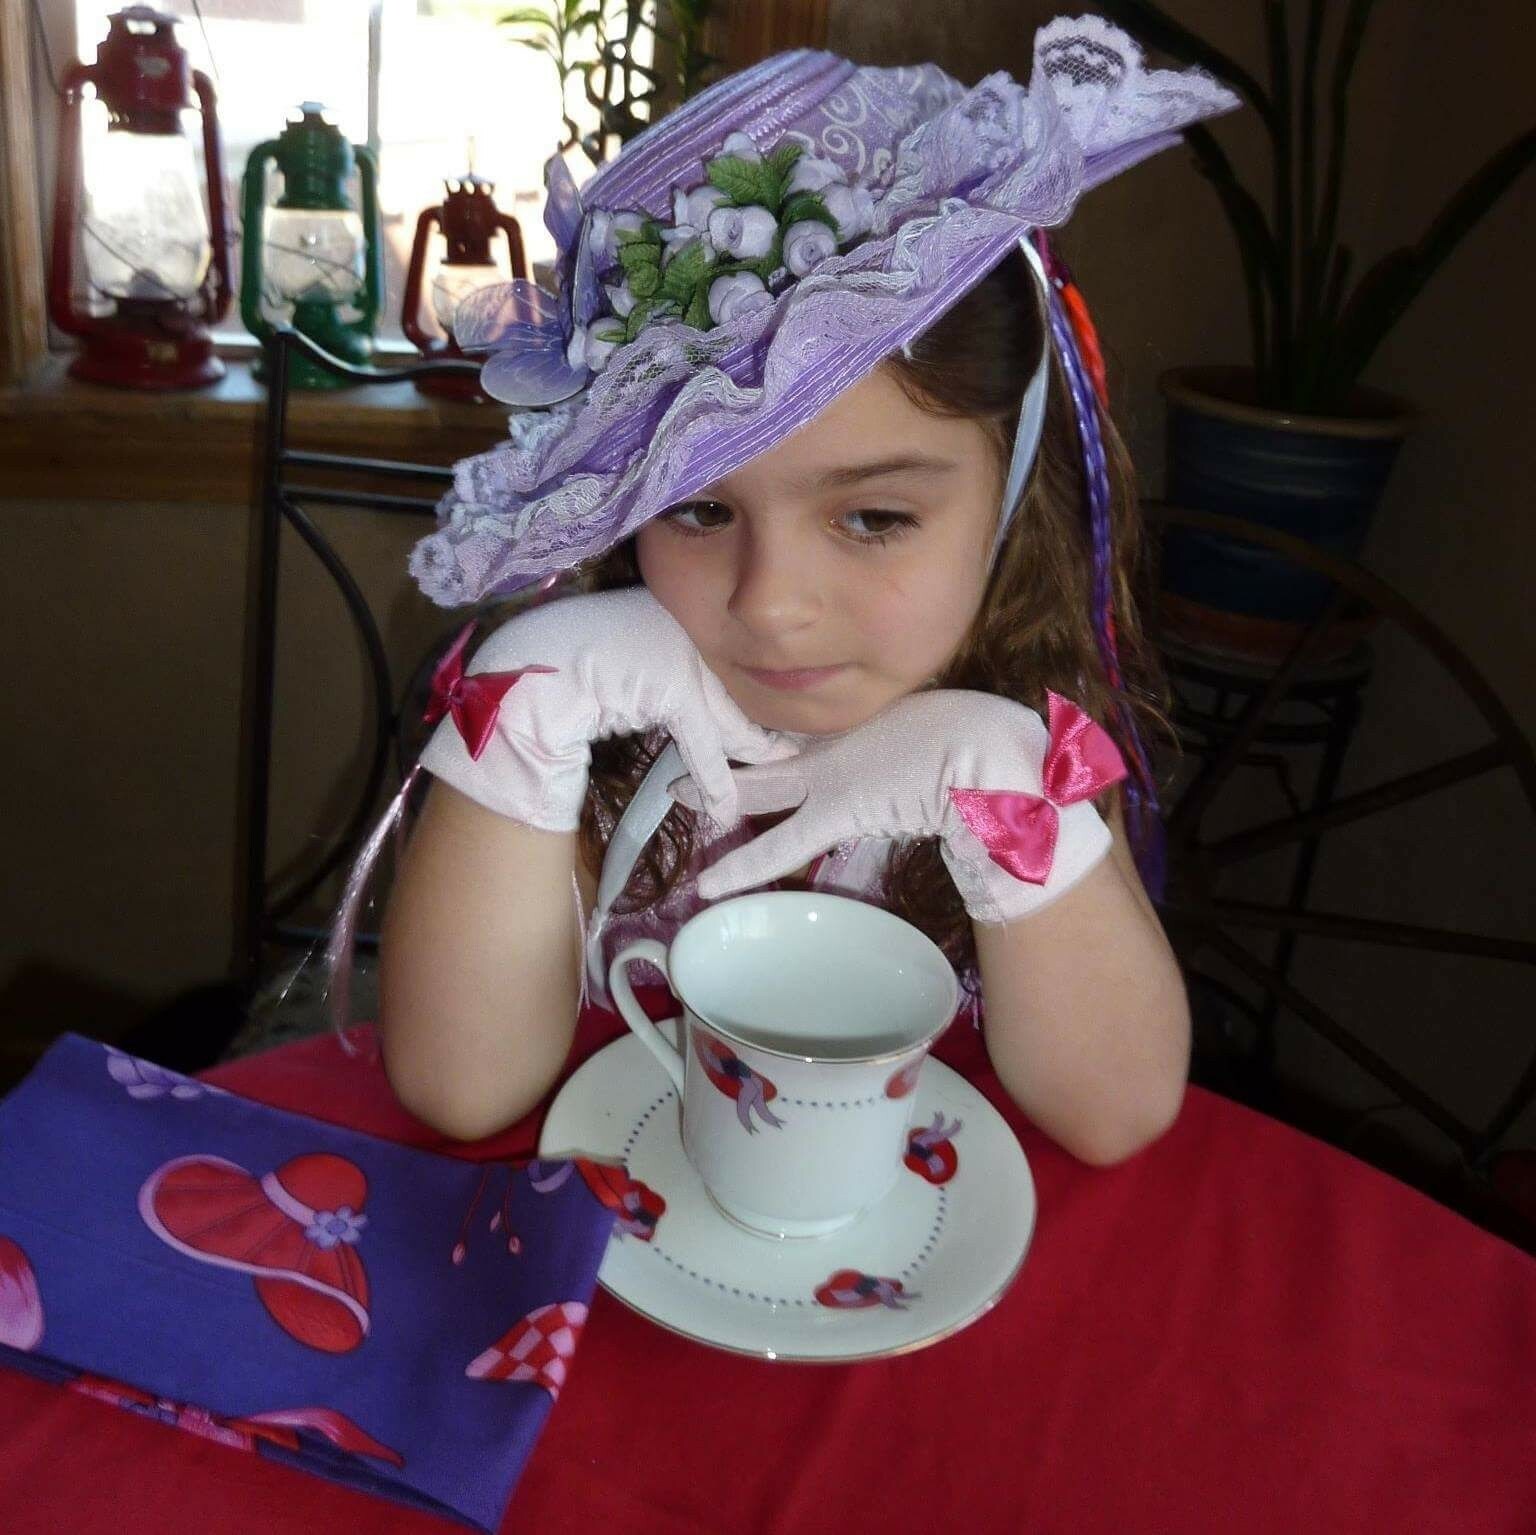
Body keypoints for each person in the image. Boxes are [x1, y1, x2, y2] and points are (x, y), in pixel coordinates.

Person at [366, 24, 1240, 1164]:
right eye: (699, 509)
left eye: (873, 518)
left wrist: (989, 774)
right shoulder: (600, 736)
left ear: (1015, 502)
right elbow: (458, 1085)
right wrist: (531, 691)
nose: (772, 604)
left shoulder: (1040, 739)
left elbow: (1114, 1112)